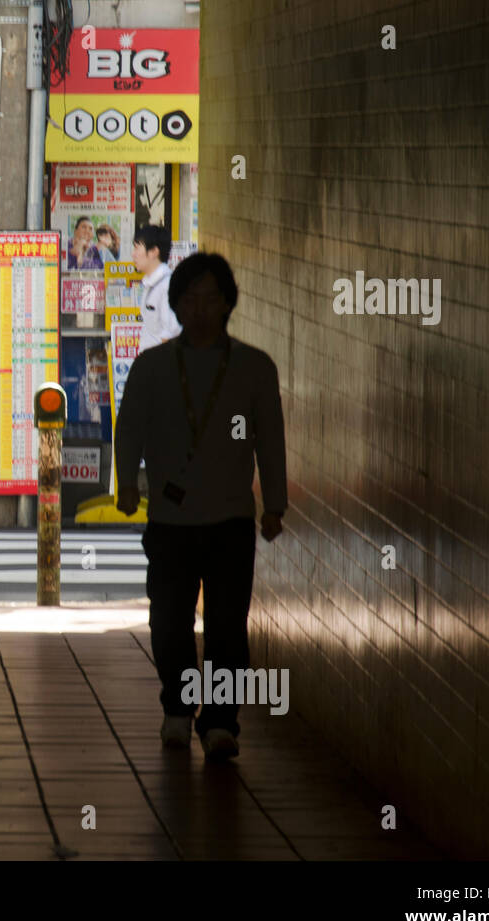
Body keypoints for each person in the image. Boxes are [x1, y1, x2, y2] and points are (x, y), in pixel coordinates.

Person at [114, 252, 286, 760]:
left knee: (228, 630)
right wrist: (128, 485)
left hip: (232, 518)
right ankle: (176, 709)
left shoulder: (254, 368)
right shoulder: (152, 368)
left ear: (228, 303)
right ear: (176, 304)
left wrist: (273, 504)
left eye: (211, 299)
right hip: (170, 522)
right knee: (168, 623)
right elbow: (130, 431)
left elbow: (270, 440)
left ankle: (219, 722)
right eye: (190, 299)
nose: (201, 309)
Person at [132, 225, 180, 352]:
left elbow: (170, 335)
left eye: (137, 248)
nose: (133, 254)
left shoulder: (167, 286)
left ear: (154, 252)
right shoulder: (151, 283)